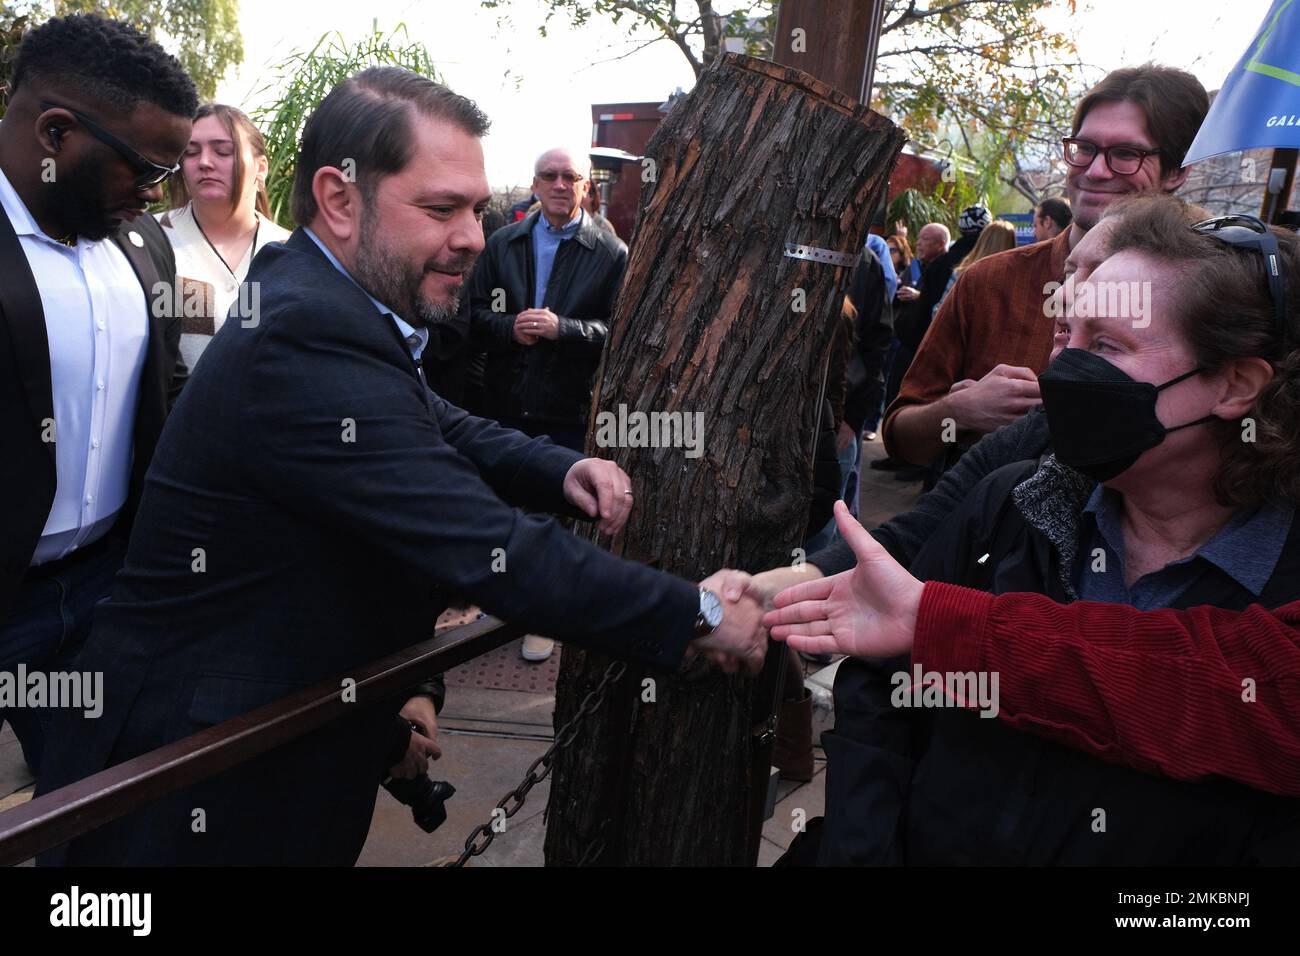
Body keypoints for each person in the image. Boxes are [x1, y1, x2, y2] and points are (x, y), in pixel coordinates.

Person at [34, 67, 766, 866]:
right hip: (195, 775)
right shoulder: (305, 333)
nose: (474, 238)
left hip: (278, 734)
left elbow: (427, 416)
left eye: (477, 209)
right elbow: (487, 543)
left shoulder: (325, 299)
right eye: (440, 208)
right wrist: (694, 612)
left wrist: (554, 470)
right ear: (340, 200)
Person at [708, 194, 1300, 800]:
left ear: (1235, 384)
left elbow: (1217, 697)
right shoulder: (1014, 498)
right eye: (1065, 325)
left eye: (1106, 344)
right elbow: (885, 693)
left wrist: (941, 624)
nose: (1062, 366)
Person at [0, 14, 195, 773]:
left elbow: (167, 396)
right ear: (56, 135)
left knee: (88, 814)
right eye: (147, 172)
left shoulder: (141, 247)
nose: (158, 196)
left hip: (104, 599)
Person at [882, 64, 1210, 469]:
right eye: (1085, 148)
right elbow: (899, 438)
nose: (1094, 170)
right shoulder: (988, 283)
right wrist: (958, 411)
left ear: (1179, 171)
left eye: (1126, 154)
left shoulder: (1205, 298)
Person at [469, 146, 627, 662]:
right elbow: (470, 316)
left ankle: (545, 615)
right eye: (549, 176)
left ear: (585, 186)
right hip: (507, 399)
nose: (560, 185)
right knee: (505, 510)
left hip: (566, 404)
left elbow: (619, 332)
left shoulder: (609, 252)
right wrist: (507, 327)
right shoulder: (503, 243)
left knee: (559, 513)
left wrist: (566, 330)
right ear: (534, 185)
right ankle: (505, 602)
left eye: (570, 177)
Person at [159, 103, 291, 370]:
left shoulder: (292, 251)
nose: (205, 162)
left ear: (261, 168)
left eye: (223, 151)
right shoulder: (148, 239)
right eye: (191, 152)